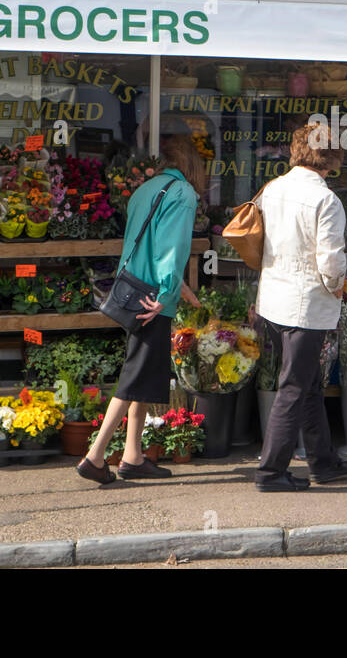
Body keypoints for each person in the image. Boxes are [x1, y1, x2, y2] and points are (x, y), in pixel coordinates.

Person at [77, 131, 205, 485]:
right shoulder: (182, 194)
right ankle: (96, 455)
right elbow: (170, 249)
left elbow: (146, 245)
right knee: (135, 377)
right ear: (192, 165)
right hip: (152, 299)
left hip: (133, 290)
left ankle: (132, 456)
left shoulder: (147, 190)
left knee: (145, 375)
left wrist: (183, 290)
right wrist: (167, 291)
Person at [254, 121, 347, 492]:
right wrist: (338, 290)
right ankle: (270, 472)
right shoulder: (326, 200)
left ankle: (323, 462)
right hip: (305, 306)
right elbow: (331, 262)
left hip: (273, 301)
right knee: (295, 387)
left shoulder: (272, 189)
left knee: (308, 383)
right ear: (330, 157)